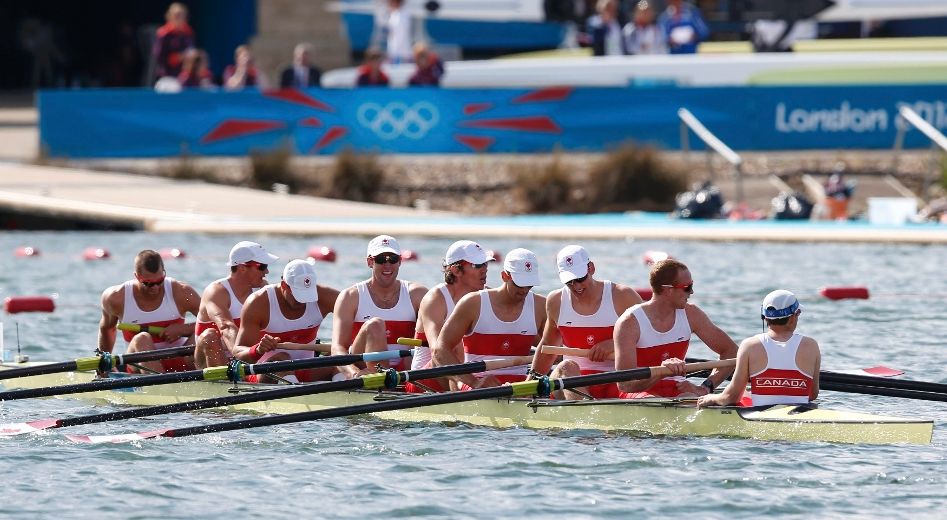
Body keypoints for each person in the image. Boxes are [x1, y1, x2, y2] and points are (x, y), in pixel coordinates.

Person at [529, 245, 643, 399]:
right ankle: (586, 414)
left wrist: (614, 343)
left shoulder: (622, 296)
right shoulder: (556, 301)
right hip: (570, 382)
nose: (576, 286)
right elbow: (548, 346)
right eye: (569, 281)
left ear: (591, 268)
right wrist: (530, 383)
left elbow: (647, 338)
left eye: (580, 279)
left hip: (614, 381)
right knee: (566, 367)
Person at [613, 258, 737, 397]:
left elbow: (731, 352)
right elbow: (624, 385)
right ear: (668, 290)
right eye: (687, 287)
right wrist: (660, 372)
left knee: (694, 400)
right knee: (655, 402)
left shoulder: (691, 314)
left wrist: (705, 388)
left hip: (678, 388)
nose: (692, 292)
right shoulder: (630, 322)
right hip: (639, 392)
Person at [433, 248, 546, 390]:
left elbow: (556, 350)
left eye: (529, 284)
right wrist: (473, 382)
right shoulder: (473, 303)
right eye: (519, 284)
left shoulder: (541, 306)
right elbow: (440, 351)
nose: (524, 290)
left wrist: (531, 382)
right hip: (479, 384)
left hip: (523, 385)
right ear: (505, 276)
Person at [698, 290, 820, 408]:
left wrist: (711, 398)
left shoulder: (750, 346)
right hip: (800, 418)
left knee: (745, 395)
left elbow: (731, 397)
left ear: (764, 317)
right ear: (794, 316)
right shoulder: (811, 345)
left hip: (760, 420)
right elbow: (812, 394)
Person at [331, 235, 427, 378]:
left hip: (406, 368)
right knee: (375, 325)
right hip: (365, 368)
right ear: (370, 262)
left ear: (400, 262)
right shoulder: (350, 297)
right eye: (381, 259)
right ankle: (381, 377)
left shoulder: (418, 294)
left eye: (392, 259)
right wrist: (354, 373)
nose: (387, 265)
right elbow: (337, 348)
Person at [406, 240, 493, 393]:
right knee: (452, 344)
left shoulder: (487, 295)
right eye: (477, 265)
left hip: (465, 375)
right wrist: (473, 383)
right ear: (456, 270)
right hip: (423, 381)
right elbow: (438, 353)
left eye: (485, 264)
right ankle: (473, 395)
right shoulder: (435, 299)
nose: (484, 270)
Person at [234, 260, 340, 383]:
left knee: (340, 361)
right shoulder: (258, 303)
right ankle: (298, 394)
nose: (303, 301)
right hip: (264, 373)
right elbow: (238, 354)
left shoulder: (326, 296)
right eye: (298, 295)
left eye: (307, 295)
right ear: (284, 285)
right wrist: (257, 349)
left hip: (305, 368)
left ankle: (348, 396)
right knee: (282, 358)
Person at [98, 249, 201, 373]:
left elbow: (211, 322)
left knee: (207, 335)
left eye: (159, 281)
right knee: (142, 339)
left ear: (164, 273)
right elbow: (107, 329)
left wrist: (183, 329)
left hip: (179, 357)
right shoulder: (116, 298)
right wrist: (104, 366)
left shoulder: (182, 292)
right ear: (136, 276)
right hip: (139, 364)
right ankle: (160, 385)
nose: (156, 288)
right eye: (149, 284)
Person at [193, 241, 278, 369]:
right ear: (242, 267)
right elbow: (226, 327)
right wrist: (243, 355)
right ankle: (225, 382)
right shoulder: (217, 291)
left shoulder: (262, 288)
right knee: (210, 335)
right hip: (210, 360)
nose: (266, 271)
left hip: (243, 360)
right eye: (262, 266)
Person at [152, 2, 195, 82]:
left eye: (183, 16)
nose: (180, 19)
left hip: (185, 77)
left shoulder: (188, 32)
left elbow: (191, 51)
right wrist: (175, 58)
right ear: (169, 16)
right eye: (177, 16)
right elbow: (158, 57)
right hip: (166, 76)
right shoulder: (163, 33)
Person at [382, 0, 413, 65]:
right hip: (396, 53)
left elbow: (400, 36)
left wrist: (394, 54)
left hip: (401, 55)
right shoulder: (395, 14)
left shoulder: (401, 15)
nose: (388, 3)